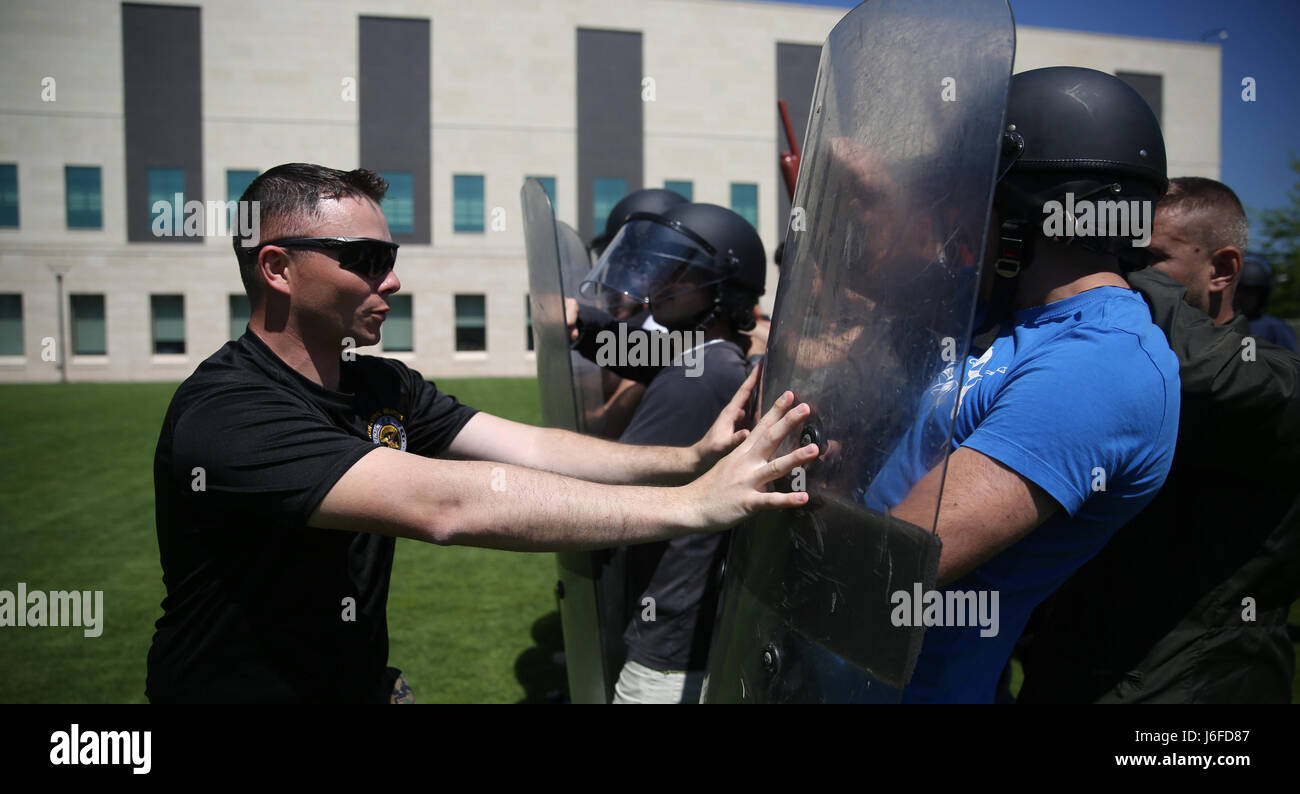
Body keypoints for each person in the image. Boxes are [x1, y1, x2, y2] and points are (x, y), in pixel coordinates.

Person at [144, 163, 816, 704]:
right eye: (367, 257)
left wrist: (687, 459)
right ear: (277, 268)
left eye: (391, 254)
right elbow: (448, 505)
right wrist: (694, 503)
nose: (394, 278)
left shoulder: (382, 387)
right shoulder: (228, 412)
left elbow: (532, 448)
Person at [870, 67, 1181, 703]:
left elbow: (892, 573)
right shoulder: (1006, 317)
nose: (954, 223)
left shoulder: (1098, 365)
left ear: (1023, 216)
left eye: (971, 198)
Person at [1018, 177, 1300, 703]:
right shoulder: (1101, 364)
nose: (1122, 274)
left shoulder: (1278, 383)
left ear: (1221, 270)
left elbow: (1207, 373)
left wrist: (1113, 283)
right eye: (1113, 255)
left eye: (1147, 259)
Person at [577, 202, 766, 703]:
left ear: (721, 288)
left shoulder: (696, 377)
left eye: (679, 274)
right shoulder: (705, 360)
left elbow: (611, 486)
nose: (658, 282)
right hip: (682, 625)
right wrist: (582, 325)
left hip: (671, 649)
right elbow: (630, 348)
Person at [1237, 254, 1298, 352]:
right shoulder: (1216, 325)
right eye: (1239, 290)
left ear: (1262, 295)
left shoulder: (1274, 328)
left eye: (1251, 292)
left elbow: (1289, 364)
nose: (1242, 297)